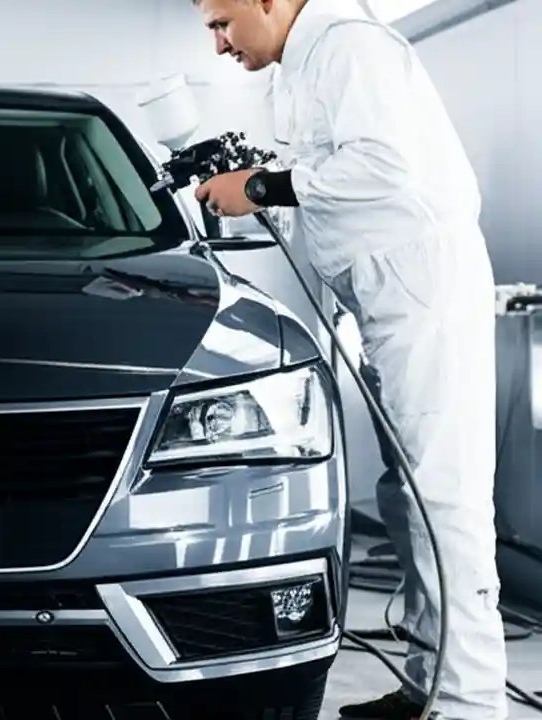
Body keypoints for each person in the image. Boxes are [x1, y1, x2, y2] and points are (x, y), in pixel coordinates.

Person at [188, 0, 507, 718]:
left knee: (443, 500)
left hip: (420, 288)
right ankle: (430, 682)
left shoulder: (348, 46)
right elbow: (331, 167)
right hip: (381, 294)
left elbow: (385, 166)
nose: (217, 45)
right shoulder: (300, 65)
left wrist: (264, 187)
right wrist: (267, 174)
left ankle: (470, 706)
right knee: (407, 495)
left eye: (221, 22)